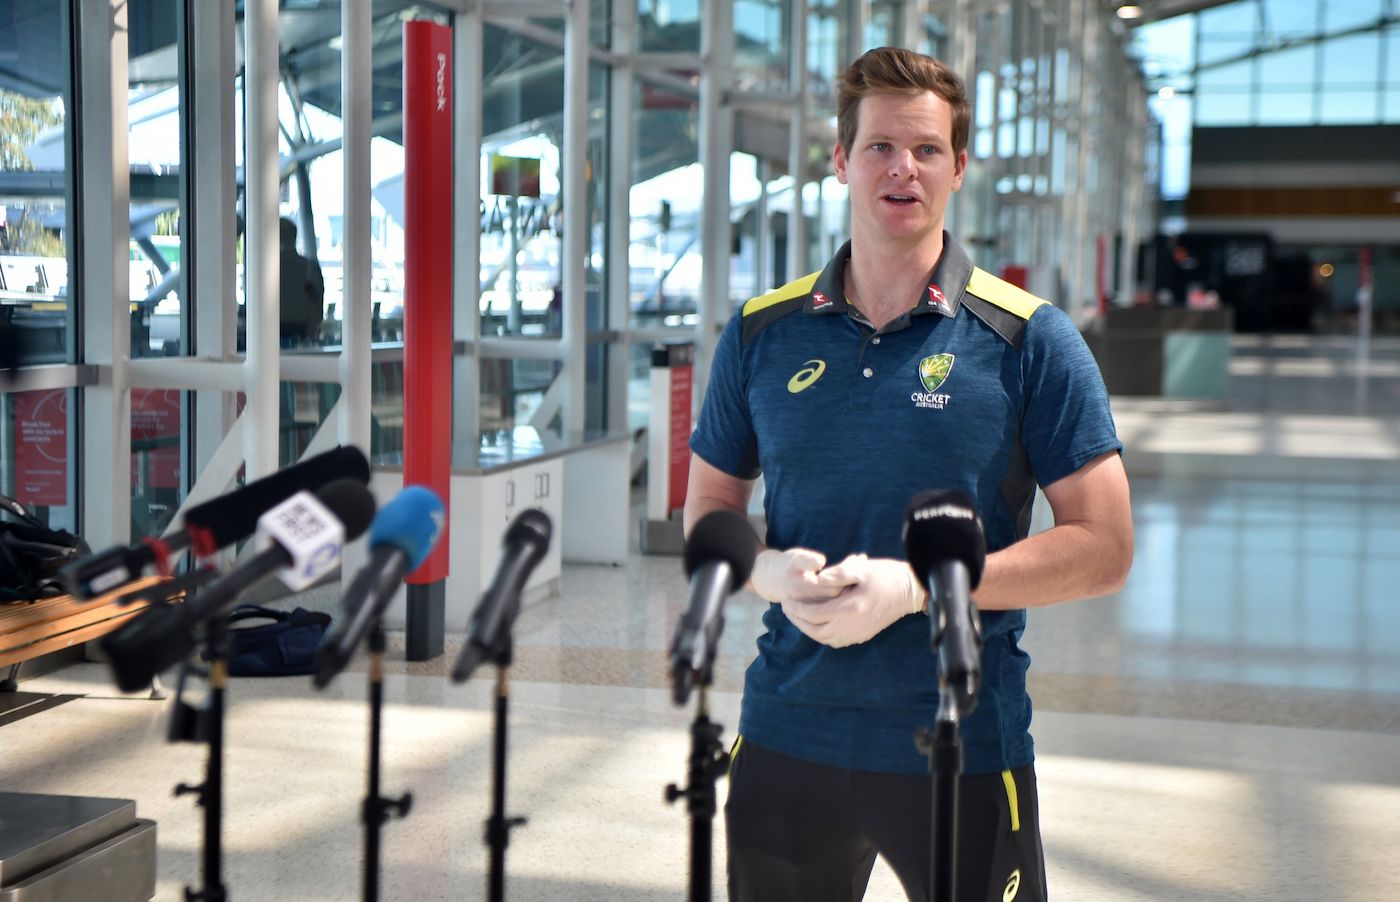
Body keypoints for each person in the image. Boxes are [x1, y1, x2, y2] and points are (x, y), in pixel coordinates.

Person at [683, 47, 1133, 902]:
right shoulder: (759, 333)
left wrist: (927, 586)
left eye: (927, 149)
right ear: (839, 159)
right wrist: (760, 568)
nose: (903, 169)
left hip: (963, 740)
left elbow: (1105, 547)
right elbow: (708, 502)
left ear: (959, 166)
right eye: (881, 146)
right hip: (787, 728)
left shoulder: (1030, 340)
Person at [278, 216, 325, 346]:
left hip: (272, 334)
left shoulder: (266, 270)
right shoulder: (310, 267)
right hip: (303, 335)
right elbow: (317, 304)